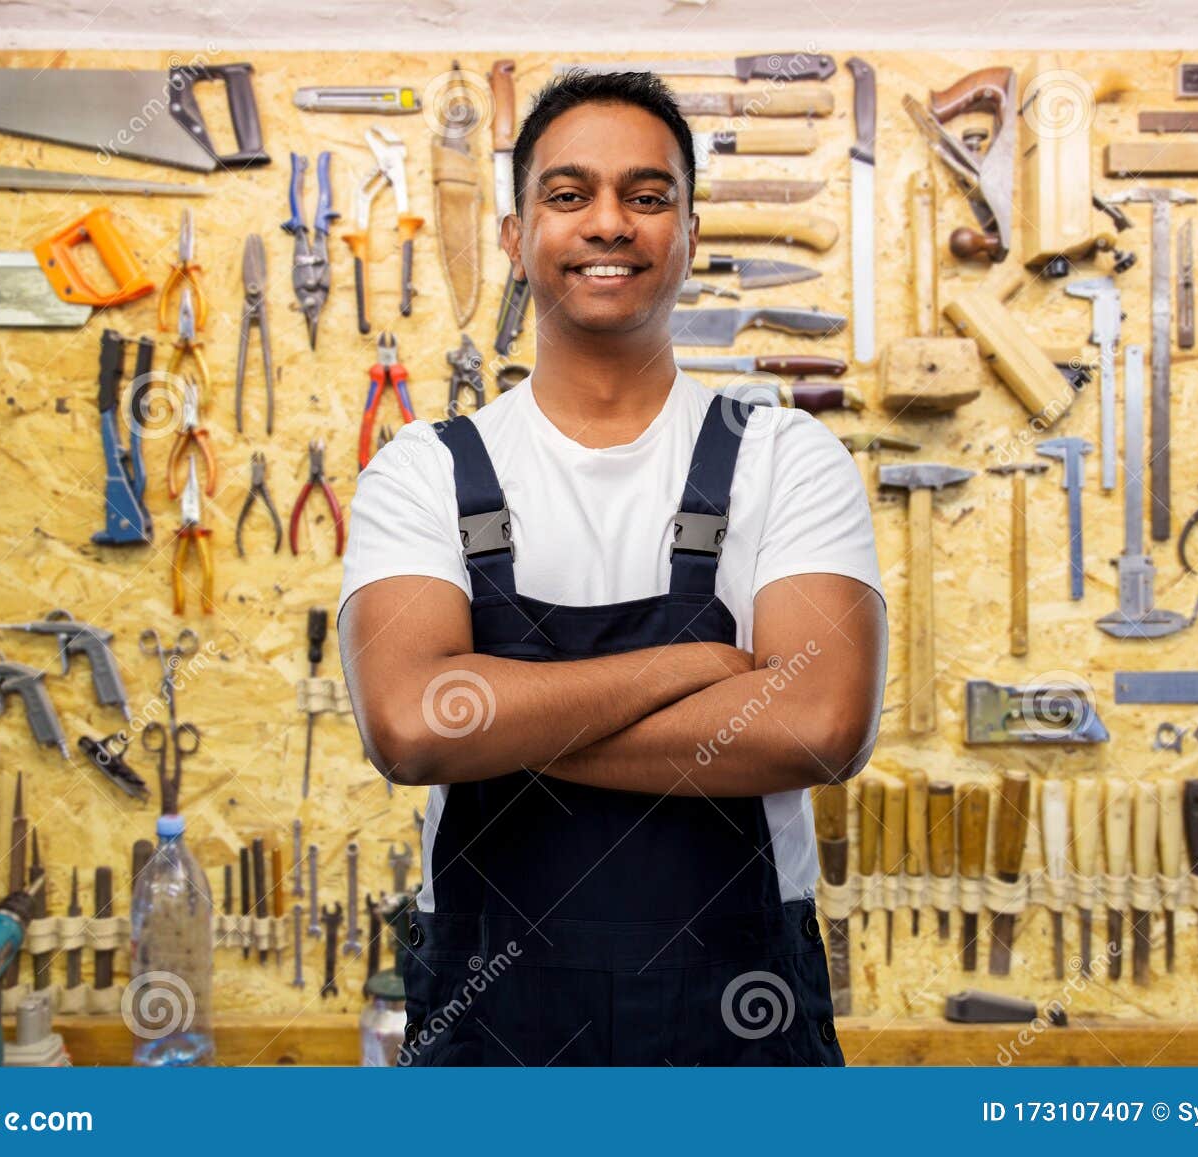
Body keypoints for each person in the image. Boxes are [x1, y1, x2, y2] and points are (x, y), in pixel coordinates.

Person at [338, 70, 886, 1066]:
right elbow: (414, 727)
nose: (608, 223)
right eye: (566, 194)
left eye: (645, 196)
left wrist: (498, 719)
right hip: (489, 1014)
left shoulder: (784, 456)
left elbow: (818, 725)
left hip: (736, 1014)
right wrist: (690, 668)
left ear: (687, 231)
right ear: (514, 237)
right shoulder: (424, 468)